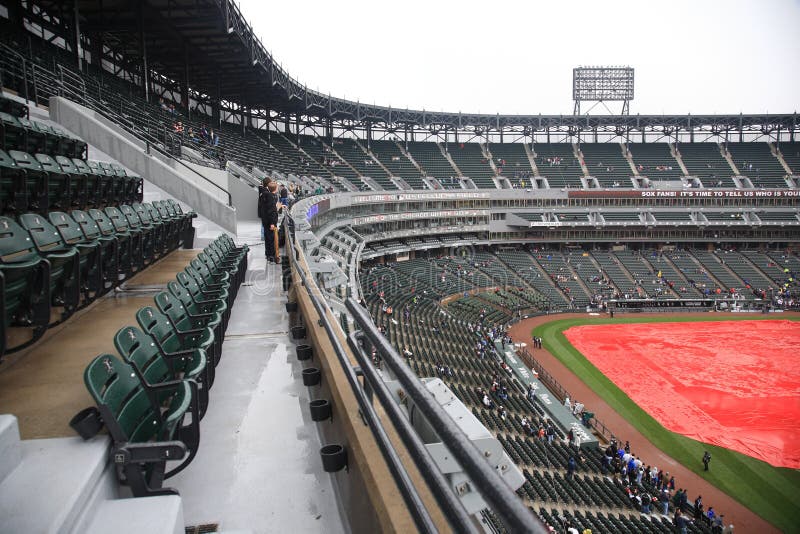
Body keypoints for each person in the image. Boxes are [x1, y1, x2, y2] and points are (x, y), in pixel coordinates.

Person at [258, 180, 280, 262]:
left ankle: (268, 254)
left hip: (265, 221)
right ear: (275, 188)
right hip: (270, 222)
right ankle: (271, 256)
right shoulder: (271, 197)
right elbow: (271, 211)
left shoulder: (266, 195)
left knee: (267, 238)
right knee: (271, 239)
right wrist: (272, 223)